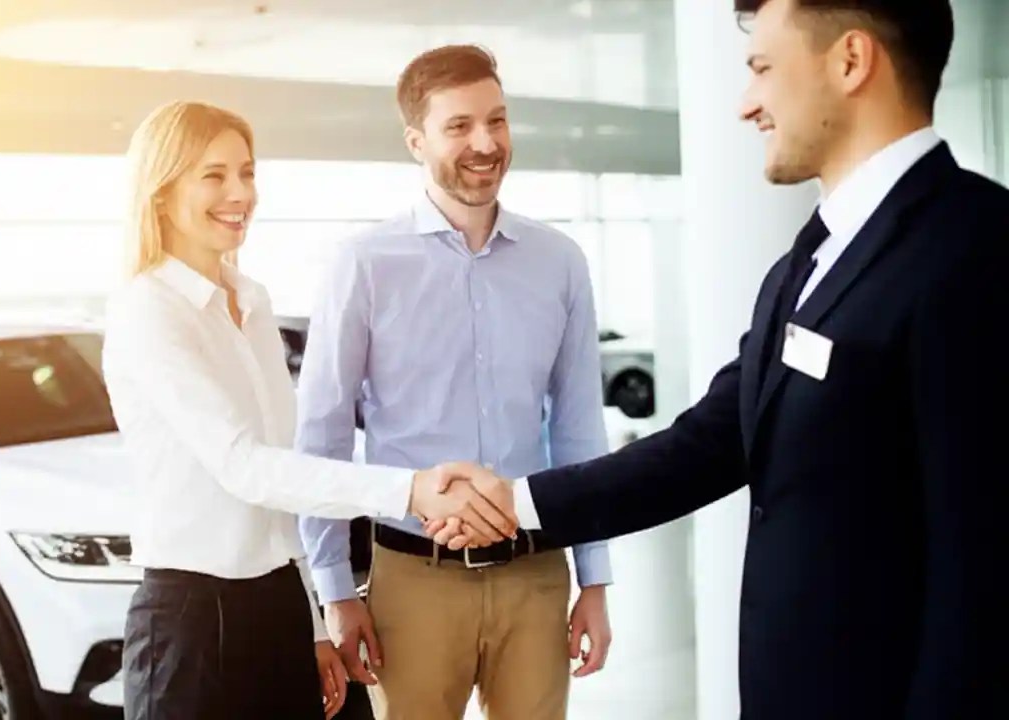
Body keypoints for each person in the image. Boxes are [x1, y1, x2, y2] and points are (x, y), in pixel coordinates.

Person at [430, 1, 1008, 718]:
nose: (746, 105)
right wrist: (513, 506)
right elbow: (709, 444)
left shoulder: (978, 251)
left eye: (762, 68)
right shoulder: (805, 263)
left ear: (852, 61)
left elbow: (987, 572)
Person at [101, 100, 516, 720]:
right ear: (161, 194)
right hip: (190, 620)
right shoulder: (148, 309)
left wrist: (316, 624)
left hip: (277, 606)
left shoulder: (249, 298)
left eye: (246, 171)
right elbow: (245, 467)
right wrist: (413, 491)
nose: (239, 192)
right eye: (213, 175)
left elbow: (287, 473)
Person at [297, 45, 613, 720]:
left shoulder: (559, 262)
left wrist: (595, 578)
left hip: (536, 572)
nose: (486, 143)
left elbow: (581, 426)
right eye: (460, 126)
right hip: (412, 580)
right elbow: (320, 437)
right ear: (415, 141)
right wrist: (334, 591)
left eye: (497, 121)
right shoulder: (364, 265)